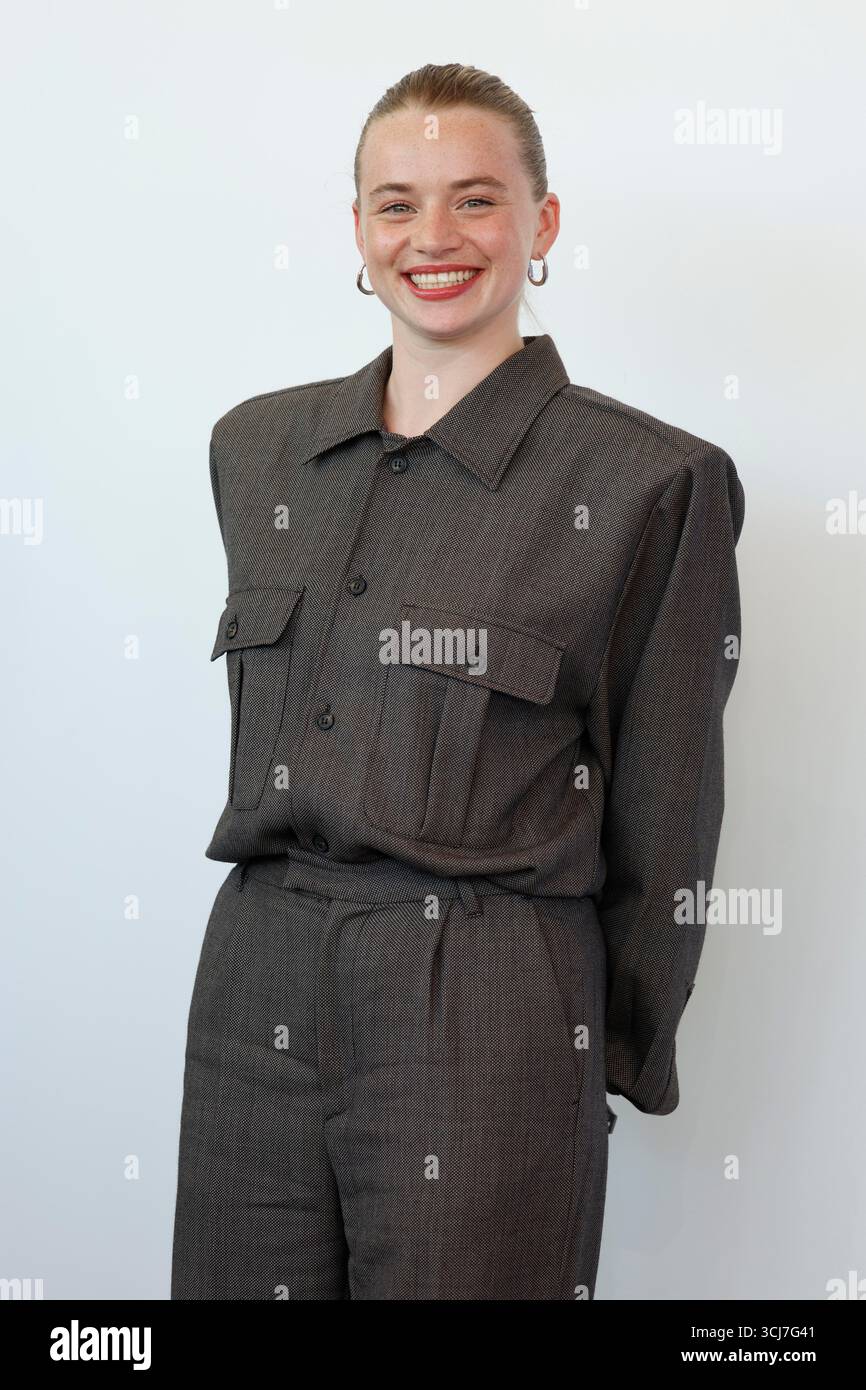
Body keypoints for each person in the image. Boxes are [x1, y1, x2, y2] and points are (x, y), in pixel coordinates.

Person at [170, 61, 745, 1301]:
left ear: (540, 226)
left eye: (475, 199)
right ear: (357, 232)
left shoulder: (652, 481)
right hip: (252, 984)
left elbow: (668, 807)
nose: (432, 237)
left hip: (483, 1002)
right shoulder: (255, 448)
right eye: (395, 203)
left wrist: (593, 1041)